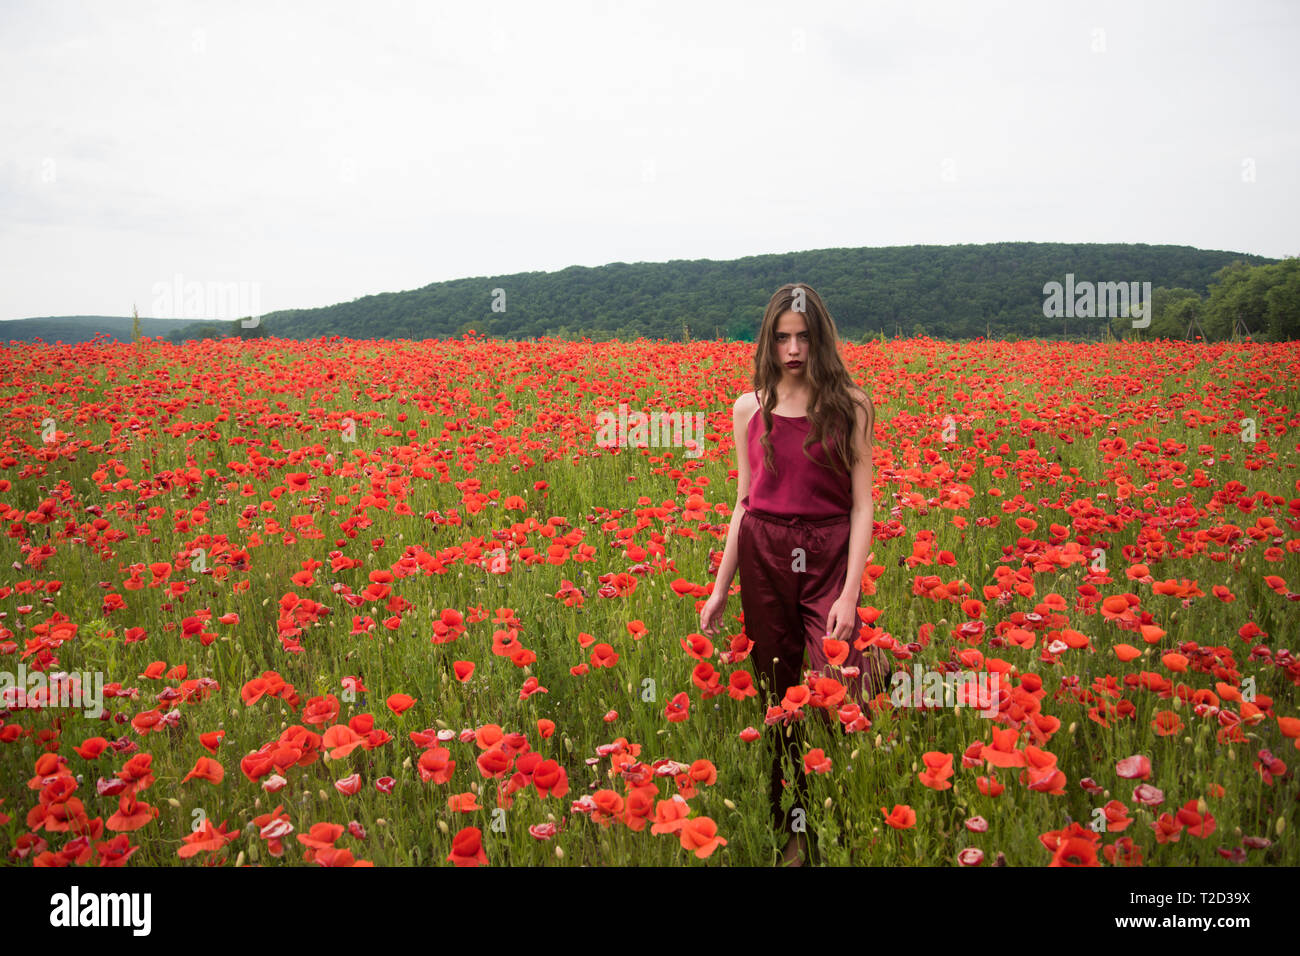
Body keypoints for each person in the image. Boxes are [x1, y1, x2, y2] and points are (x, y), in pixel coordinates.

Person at [698, 283, 891, 866]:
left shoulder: (850, 406)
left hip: (829, 553)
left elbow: (863, 505)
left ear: (821, 339)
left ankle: (849, 812)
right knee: (780, 698)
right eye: (782, 337)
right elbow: (742, 502)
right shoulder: (747, 408)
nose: (792, 349)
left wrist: (851, 592)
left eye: (804, 337)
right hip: (764, 558)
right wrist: (719, 590)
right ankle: (795, 834)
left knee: (839, 678)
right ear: (768, 341)